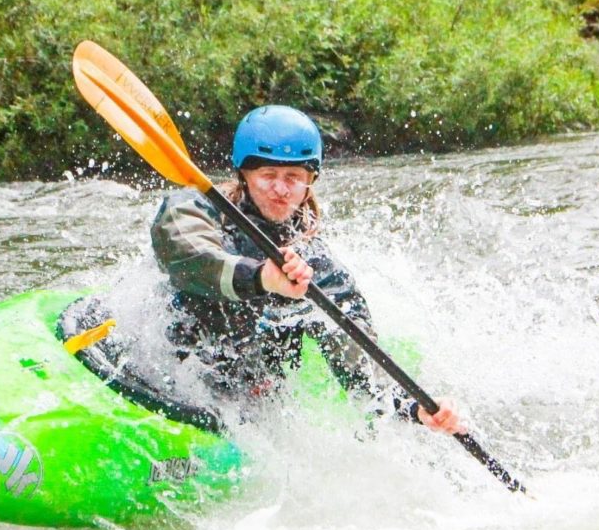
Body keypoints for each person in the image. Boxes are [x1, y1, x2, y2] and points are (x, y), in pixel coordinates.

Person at [150, 104, 464, 435]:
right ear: (244, 173)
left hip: (241, 398)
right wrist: (261, 278)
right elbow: (186, 258)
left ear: (310, 181)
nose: (281, 189)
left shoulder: (317, 268)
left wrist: (417, 408)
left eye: (294, 178)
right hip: (166, 362)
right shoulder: (197, 207)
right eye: (268, 175)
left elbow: (365, 372)